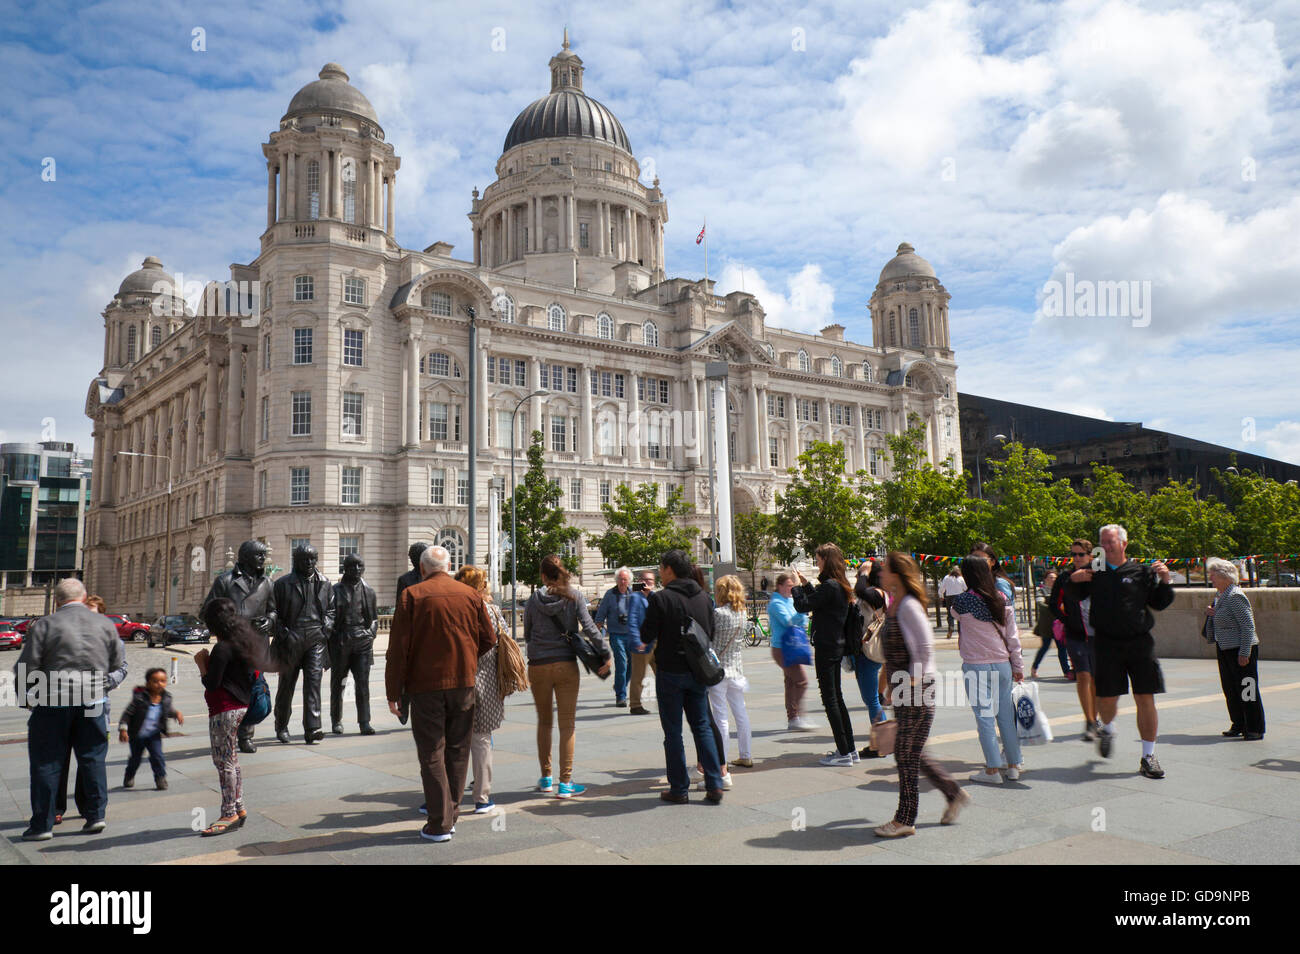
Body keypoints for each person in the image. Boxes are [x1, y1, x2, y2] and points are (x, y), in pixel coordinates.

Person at [386, 545, 497, 842]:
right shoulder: (471, 595)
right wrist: (468, 658)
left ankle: (439, 822)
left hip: (425, 687)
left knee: (432, 752)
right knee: (458, 750)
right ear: (449, 566)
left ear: (422, 569)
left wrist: (393, 691)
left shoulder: (412, 596)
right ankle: (451, 814)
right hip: (463, 683)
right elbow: (489, 638)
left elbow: (398, 648)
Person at [17, 578, 125, 840]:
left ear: (56, 600)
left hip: (53, 702)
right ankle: (96, 815)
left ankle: (43, 824)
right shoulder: (106, 625)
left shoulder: (45, 625)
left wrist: (26, 698)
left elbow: (26, 667)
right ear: (84, 595)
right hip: (92, 703)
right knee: (92, 758)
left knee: (47, 762)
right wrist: (102, 685)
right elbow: (118, 665)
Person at [874, 553, 967, 837]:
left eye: (885, 569)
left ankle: (905, 819)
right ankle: (953, 793)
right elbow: (892, 653)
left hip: (917, 687)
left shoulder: (909, 606)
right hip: (904, 687)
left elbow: (925, 649)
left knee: (905, 754)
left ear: (897, 574)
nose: (880, 573)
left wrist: (912, 681)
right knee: (914, 751)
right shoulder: (895, 605)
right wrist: (890, 686)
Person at [1070, 524, 1173, 779]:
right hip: (1106, 644)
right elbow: (1071, 594)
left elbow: (1159, 603)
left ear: (1124, 544)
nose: (1104, 547)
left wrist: (1166, 581)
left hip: (1140, 643)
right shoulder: (1094, 572)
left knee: (1145, 696)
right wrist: (1072, 579)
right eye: (1102, 542)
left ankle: (1148, 756)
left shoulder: (1142, 572)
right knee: (1107, 701)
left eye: (1110, 542)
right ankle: (1108, 727)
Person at [641, 549, 725, 804]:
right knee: (702, 727)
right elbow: (709, 633)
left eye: (661, 568)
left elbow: (646, 635)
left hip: (670, 672)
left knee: (673, 732)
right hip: (697, 670)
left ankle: (679, 788)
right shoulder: (703, 597)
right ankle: (714, 783)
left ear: (669, 570)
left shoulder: (661, 598)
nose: (659, 573)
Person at [523, 554, 609, 797]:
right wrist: (605, 652)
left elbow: (527, 633)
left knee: (544, 721)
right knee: (567, 724)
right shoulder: (575, 597)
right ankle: (566, 782)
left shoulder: (532, 600)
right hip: (565, 665)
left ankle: (546, 777)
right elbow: (590, 627)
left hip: (538, 664)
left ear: (542, 576)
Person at [196, 598, 268, 836]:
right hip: (240, 706)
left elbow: (212, 683)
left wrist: (202, 664)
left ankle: (228, 813)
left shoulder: (223, 648)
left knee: (223, 761)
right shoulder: (242, 643)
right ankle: (238, 806)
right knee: (232, 759)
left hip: (224, 708)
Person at [54, 591, 126, 825]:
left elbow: (121, 668)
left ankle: (89, 808)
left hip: (96, 703)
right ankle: (56, 807)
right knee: (60, 758)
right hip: (64, 703)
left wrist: (106, 682)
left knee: (92, 759)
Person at [201, 539, 278, 753]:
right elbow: (207, 611)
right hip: (231, 646)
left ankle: (246, 734)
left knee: (255, 692)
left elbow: (274, 610)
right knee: (234, 690)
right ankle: (233, 732)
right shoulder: (224, 581)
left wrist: (269, 621)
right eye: (259, 555)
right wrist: (227, 624)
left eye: (264, 554)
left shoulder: (268, 583)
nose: (264, 558)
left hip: (256, 645)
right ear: (245, 557)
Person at [953, 556, 1024, 784]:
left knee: (984, 718)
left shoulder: (961, 602)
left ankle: (992, 770)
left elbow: (956, 616)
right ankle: (1013, 765)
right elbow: (1013, 637)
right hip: (1003, 664)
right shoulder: (1002, 599)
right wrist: (1018, 666)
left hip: (976, 666)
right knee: (1006, 717)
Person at [793, 543, 857, 765]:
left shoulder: (830, 586)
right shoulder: (837, 585)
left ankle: (843, 753)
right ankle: (849, 748)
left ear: (826, 561)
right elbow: (822, 604)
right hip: (836, 644)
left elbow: (803, 606)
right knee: (837, 698)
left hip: (827, 646)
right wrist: (807, 585)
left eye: (818, 559)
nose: (816, 563)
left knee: (830, 699)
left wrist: (796, 589)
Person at [271, 543, 335, 745]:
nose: (309, 563)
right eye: (304, 559)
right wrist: (284, 634)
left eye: (312, 559)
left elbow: (331, 611)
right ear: (295, 561)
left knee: (313, 685)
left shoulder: (325, 583)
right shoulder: (282, 584)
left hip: (315, 639)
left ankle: (313, 728)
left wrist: (326, 627)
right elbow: (274, 614)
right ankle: (281, 725)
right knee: (286, 686)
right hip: (291, 639)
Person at [456, 564, 507, 813]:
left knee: (452, 739)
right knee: (482, 740)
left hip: (457, 680)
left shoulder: (456, 610)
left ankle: (447, 796)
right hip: (486, 682)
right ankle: (482, 798)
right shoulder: (494, 611)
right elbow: (503, 641)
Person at [1205, 558, 1265, 740]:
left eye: (1213, 575)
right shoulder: (1220, 596)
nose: (1211, 579)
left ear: (1225, 577)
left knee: (1247, 689)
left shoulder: (1235, 595)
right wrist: (1212, 614)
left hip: (1240, 649)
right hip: (1225, 648)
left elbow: (1248, 626)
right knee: (1230, 688)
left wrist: (1244, 652)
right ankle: (1238, 723)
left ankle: (1254, 727)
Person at [1050, 541, 1100, 738]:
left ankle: (1095, 718)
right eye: (1074, 554)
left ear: (1090, 556)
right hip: (1075, 634)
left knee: (1096, 678)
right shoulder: (1065, 577)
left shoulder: (1099, 576)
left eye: (1081, 554)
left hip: (1098, 635)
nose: (1077, 558)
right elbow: (1053, 604)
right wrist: (1067, 620)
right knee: (1083, 675)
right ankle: (1088, 720)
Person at [329, 554, 378, 736]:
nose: (357, 570)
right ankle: (336, 720)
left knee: (363, 684)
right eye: (352, 566)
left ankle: (364, 722)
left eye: (360, 566)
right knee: (338, 683)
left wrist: (370, 634)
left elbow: (373, 619)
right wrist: (335, 636)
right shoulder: (335, 590)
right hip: (341, 641)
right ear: (345, 568)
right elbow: (330, 617)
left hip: (362, 643)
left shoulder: (369, 591)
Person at [708, 575, 752, 769]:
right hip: (736, 669)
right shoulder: (743, 613)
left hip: (718, 670)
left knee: (720, 717)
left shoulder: (718, 613)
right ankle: (746, 754)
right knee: (740, 713)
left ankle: (721, 760)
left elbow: (711, 642)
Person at [118, 667, 183, 790]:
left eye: (163, 681)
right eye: (155, 681)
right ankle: (129, 775)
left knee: (157, 756)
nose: (159, 684)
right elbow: (127, 714)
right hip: (137, 734)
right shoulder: (139, 698)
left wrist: (176, 713)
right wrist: (123, 729)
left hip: (153, 734)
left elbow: (167, 710)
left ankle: (160, 778)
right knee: (135, 758)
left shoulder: (166, 698)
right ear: (147, 683)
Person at [594, 567, 646, 708]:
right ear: (616, 580)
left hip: (632, 635)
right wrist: (596, 635)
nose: (623, 582)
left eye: (625, 579)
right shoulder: (610, 594)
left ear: (629, 580)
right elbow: (600, 616)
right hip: (616, 635)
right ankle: (621, 696)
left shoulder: (634, 592)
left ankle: (619, 685)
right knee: (622, 663)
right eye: (621, 579)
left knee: (632, 665)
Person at [768, 572, 814, 730]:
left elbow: (803, 621)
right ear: (779, 586)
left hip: (789, 646)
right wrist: (801, 611)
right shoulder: (776, 603)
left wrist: (800, 612)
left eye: (792, 586)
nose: (791, 589)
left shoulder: (787, 600)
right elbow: (788, 621)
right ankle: (797, 716)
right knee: (801, 681)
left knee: (791, 682)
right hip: (782, 648)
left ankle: (793, 718)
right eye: (788, 586)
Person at [854, 563, 888, 757]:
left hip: (869, 650)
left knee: (872, 700)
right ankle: (882, 742)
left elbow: (859, 589)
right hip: (868, 650)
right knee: (871, 699)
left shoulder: (876, 594)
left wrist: (863, 572)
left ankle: (881, 743)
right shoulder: (879, 592)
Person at [1030, 570, 1072, 681]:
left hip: (1059, 625)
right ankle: (1034, 667)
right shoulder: (1042, 591)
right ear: (1045, 579)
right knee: (1045, 647)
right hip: (1046, 625)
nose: (1052, 580)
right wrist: (1053, 608)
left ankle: (1066, 671)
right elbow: (1040, 603)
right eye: (1050, 577)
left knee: (1062, 648)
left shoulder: (1060, 591)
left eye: (1054, 577)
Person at [627, 569, 658, 714]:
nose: (647, 583)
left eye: (650, 580)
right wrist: (637, 640)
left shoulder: (653, 597)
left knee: (663, 673)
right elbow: (632, 619)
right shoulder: (635, 597)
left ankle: (667, 699)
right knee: (638, 675)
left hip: (655, 642)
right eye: (644, 580)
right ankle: (635, 705)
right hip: (641, 643)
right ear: (639, 581)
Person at [938, 565, 967, 636]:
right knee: (960, 614)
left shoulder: (946, 577)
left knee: (950, 614)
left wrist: (941, 595)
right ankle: (960, 631)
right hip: (959, 597)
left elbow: (942, 588)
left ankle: (951, 627)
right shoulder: (961, 578)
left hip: (949, 597)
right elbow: (966, 588)